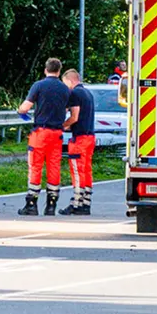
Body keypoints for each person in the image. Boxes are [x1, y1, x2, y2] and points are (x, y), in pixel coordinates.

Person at [16, 58, 73, 216]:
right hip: (57, 133)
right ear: (59, 71)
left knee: (35, 166)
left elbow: (25, 107)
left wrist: (20, 111)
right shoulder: (64, 89)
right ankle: (51, 205)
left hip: (41, 132)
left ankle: (31, 204)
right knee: (54, 167)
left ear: (45, 69)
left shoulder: (39, 86)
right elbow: (68, 108)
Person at [59, 67, 95, 216]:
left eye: (65, 83)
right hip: (90, 137)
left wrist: (62, 126)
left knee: (77, 171)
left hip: (79, 139)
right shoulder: (88, 93)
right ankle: (86, 203)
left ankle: (76, 202)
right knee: (86, 170)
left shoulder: (75, 93)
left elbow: (74, 117)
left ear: (70, 80)